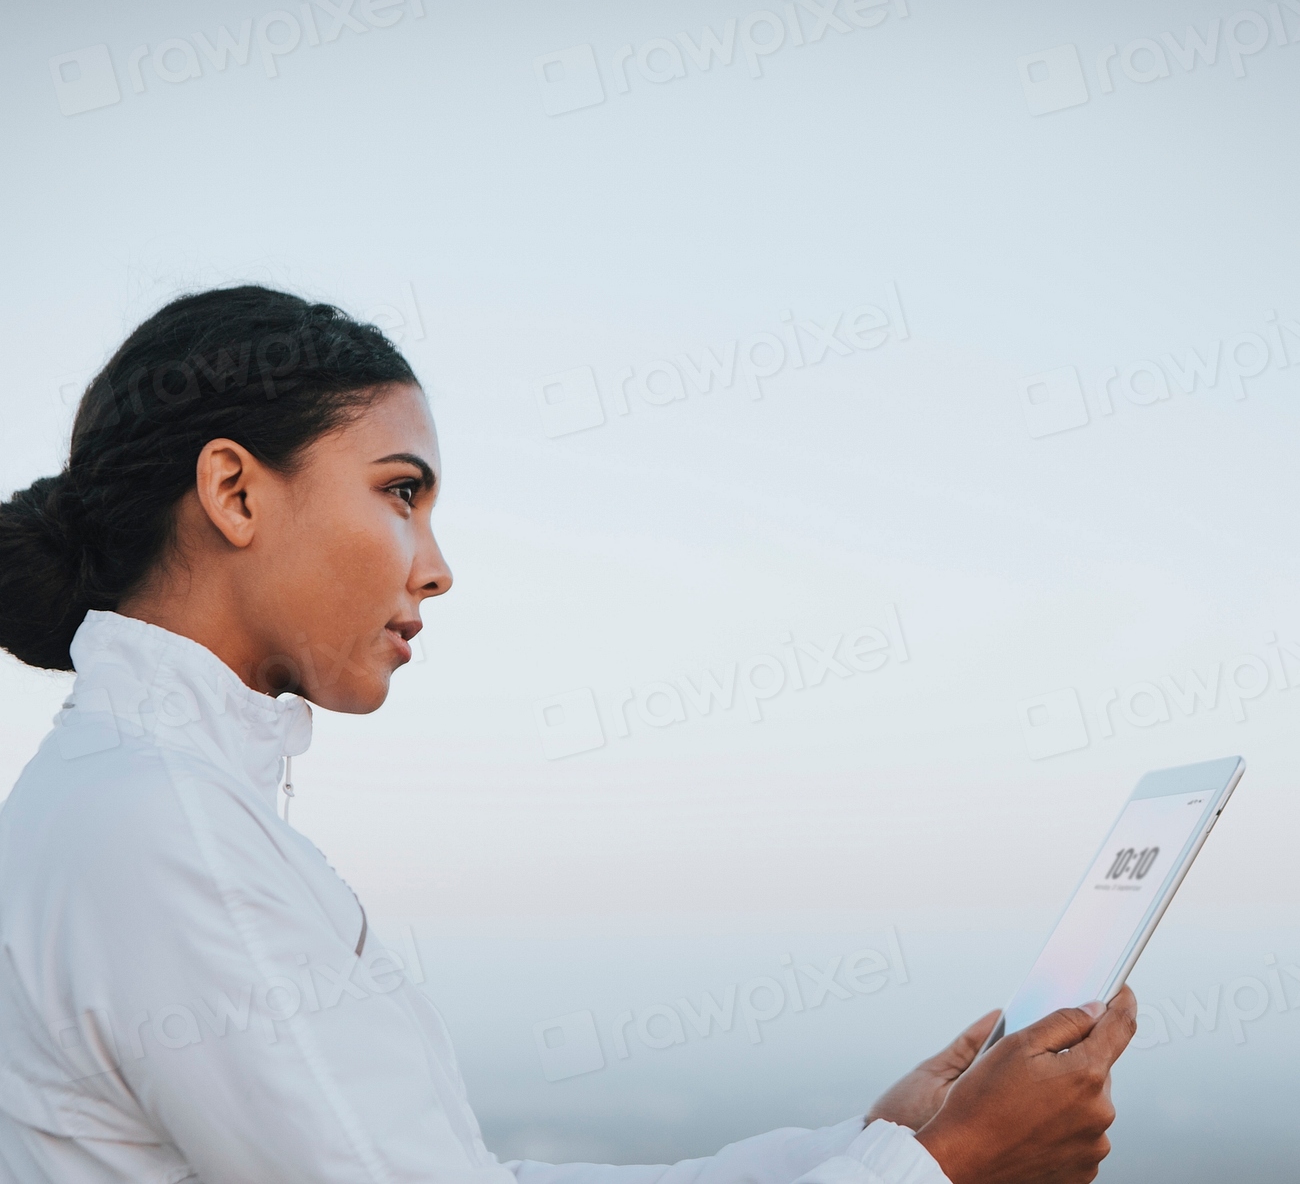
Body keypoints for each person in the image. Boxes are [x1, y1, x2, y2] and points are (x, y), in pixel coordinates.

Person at [0, 287, 1136, 1184]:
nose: (435, 567)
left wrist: (862, 1146)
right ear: (236, 493)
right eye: (401, 492)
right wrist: (948, 1166)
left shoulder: (145, 796)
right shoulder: (169, 830)